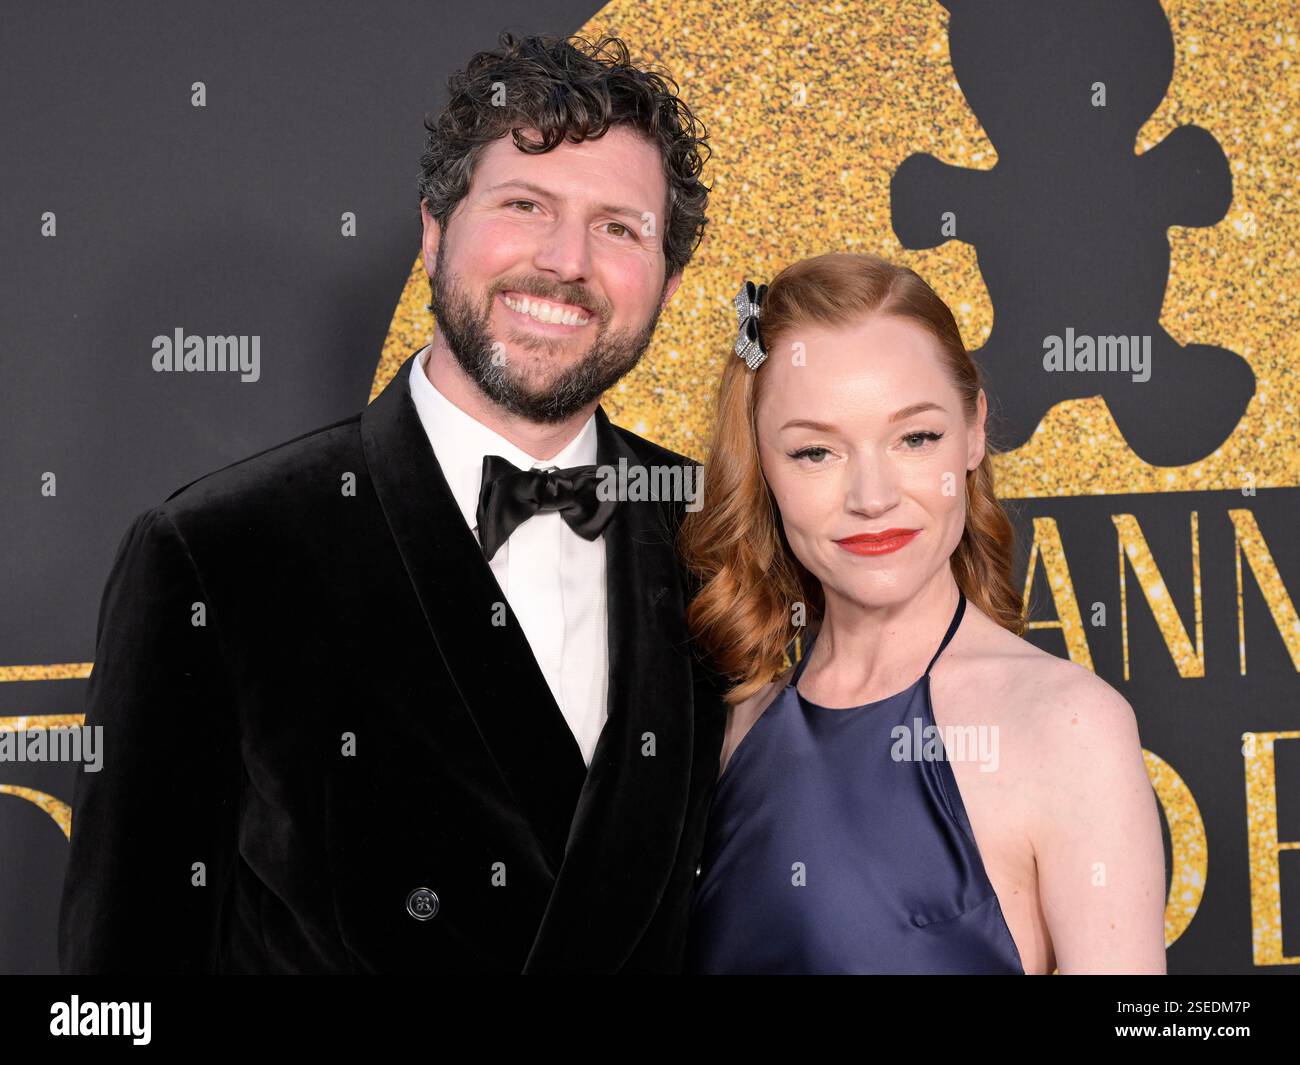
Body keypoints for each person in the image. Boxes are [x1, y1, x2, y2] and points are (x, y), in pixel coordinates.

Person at [58, 31, 728, 974]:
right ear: (433, 230)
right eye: (525, 204)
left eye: (620, 227)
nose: (566, 260)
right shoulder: (218, 552)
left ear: (666, 275)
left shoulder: (718, 537)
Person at [679, 253, 1168, 974]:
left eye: (916, 437)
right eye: (816, 451)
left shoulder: (1066, 726)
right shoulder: (734, 721)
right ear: (761, 466)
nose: (872, 495)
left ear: (973, 432)